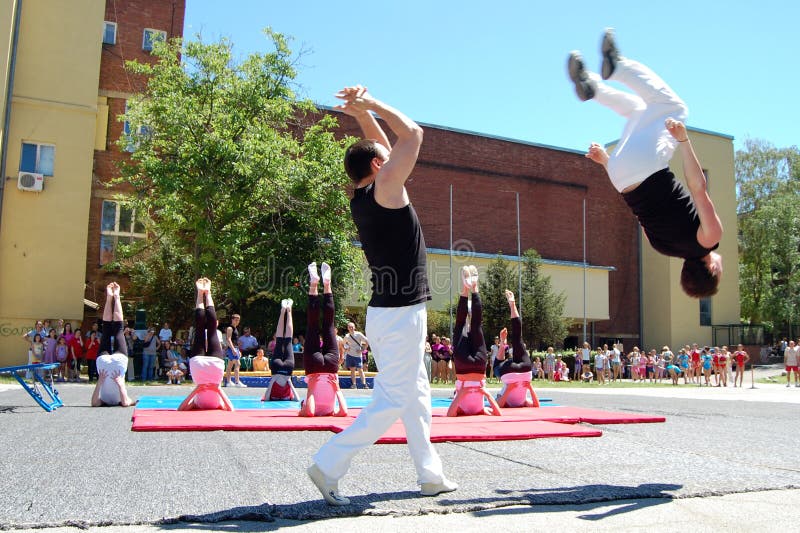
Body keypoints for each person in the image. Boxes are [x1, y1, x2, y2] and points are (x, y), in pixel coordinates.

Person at [307, 86, 455, 506]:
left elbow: (387, 147)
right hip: (403, 315)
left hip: (386, 314)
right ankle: (329, 464)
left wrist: (359, 116)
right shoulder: (388, 186)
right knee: (393, 398)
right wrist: (372, 105)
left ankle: (431, 474)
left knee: (416, 391)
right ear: (377, 165)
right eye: (383, 158)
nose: (391, 160)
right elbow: (413, 134)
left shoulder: (364, 195)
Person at [568, 29, 723, 298]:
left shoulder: (709, 239)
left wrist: (685, 142)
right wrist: (607, 162)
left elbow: (698, 187)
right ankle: (592, 87)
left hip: (648, 166)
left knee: (676, 108)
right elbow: (640, 206)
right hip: (620, 176)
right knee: (639, 110)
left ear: (712, 270)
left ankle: (618, 66)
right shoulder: (663, 247)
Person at [447, 265, 501, 417]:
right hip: (473, 368)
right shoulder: (479, 411)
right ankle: (470, 287)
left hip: (470, 368)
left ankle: (471, 287)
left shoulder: (479, 411)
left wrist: (466, 392)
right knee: (466, 325)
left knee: (473, 325)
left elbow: (450, 415)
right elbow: (498, 415)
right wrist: (486, 394)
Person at [299, 262, 348, 417]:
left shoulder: (331, 411)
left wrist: (337, 389)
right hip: (314, 368)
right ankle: (314, 284)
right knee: (312, 325)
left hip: (331, 368)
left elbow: (344, 412)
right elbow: (311, 413)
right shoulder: (309, 406)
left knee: (328, 325)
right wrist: (311, 390)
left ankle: (327, 286)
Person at [177, 279, 235, 411]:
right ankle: (206, 293)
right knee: (211, 329)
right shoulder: (218, 405)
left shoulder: (196, 405)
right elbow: (231, 409)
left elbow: (180, 409)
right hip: (213, 370)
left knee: (202, 328)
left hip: (201, 369)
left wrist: (197, 389)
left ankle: (201, 293)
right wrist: (218, 389)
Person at [91, 282, 136, 407]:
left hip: (116, 366)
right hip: (105, 365)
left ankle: (116, 297)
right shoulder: (103, 401)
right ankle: (111, 297)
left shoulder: (118, 401)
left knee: (118, 329)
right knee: (106, 329)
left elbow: (126, 403)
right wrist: (100, 382)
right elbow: (94, 403)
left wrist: (120, 384)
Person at [495, 290, 539, 408]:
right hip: (515, 375)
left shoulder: (524, 402)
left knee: (517, 338)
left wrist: (529, 387)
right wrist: (529, 387)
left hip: (525, 372)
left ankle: (512, 305)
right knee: (497, 366)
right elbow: (536, 405)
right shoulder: (522, 402)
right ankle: (512, 305)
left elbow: (536, 405)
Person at [262, 298, 299, 402]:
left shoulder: (287, 396)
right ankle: (284, 311)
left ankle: (288, 310)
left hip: (285, 371)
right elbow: (266, 399)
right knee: (280, 340)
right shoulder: (276, 397)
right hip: (277, 371)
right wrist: (273, 381)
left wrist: (289, 381)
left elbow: (297, 399)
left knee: (288, 340)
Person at [343, 321, 369, 389]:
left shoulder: (359, 334)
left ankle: (364, 384)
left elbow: (367, 341)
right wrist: (346, 348)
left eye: (352, 327)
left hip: (358, 355)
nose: (351, 328)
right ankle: (354, 385)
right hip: (350, 355)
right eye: (349, 327)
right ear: (348, 328)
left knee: (360, 370)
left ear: (354, 327)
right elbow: (343, 344)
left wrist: (362, 350)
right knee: (352, 370)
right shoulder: (347, 336)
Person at [224, 314, 246, 387]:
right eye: (236, 319)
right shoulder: (230, 328)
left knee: (230, 365)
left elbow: (235, 340)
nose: (237, 321)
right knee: (238, 364)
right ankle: (237, 382)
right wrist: (233, 349)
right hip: (232, 348)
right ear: (232, 319)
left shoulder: (235, 328)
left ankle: (228, 382)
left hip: (235, 348)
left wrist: (238, 350)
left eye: (238, 320)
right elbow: (228, 339)